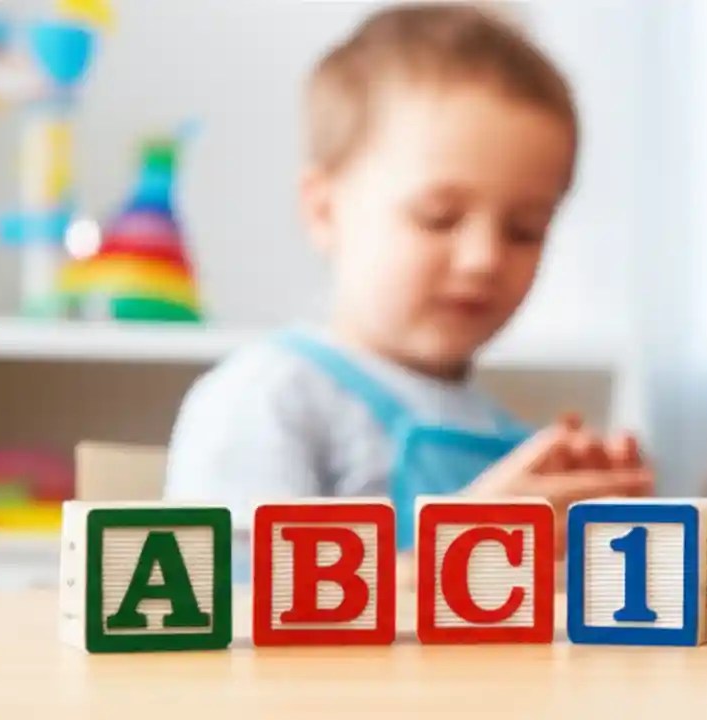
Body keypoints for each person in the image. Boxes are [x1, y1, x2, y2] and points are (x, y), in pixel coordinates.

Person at [163, 4, 651, 559]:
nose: (483, 259)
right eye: (437, 218)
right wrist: (462, 548)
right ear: (324, 210)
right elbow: (240, 606)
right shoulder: (266, 401)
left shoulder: (499, 430)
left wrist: (609, 543)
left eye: (525, 229)